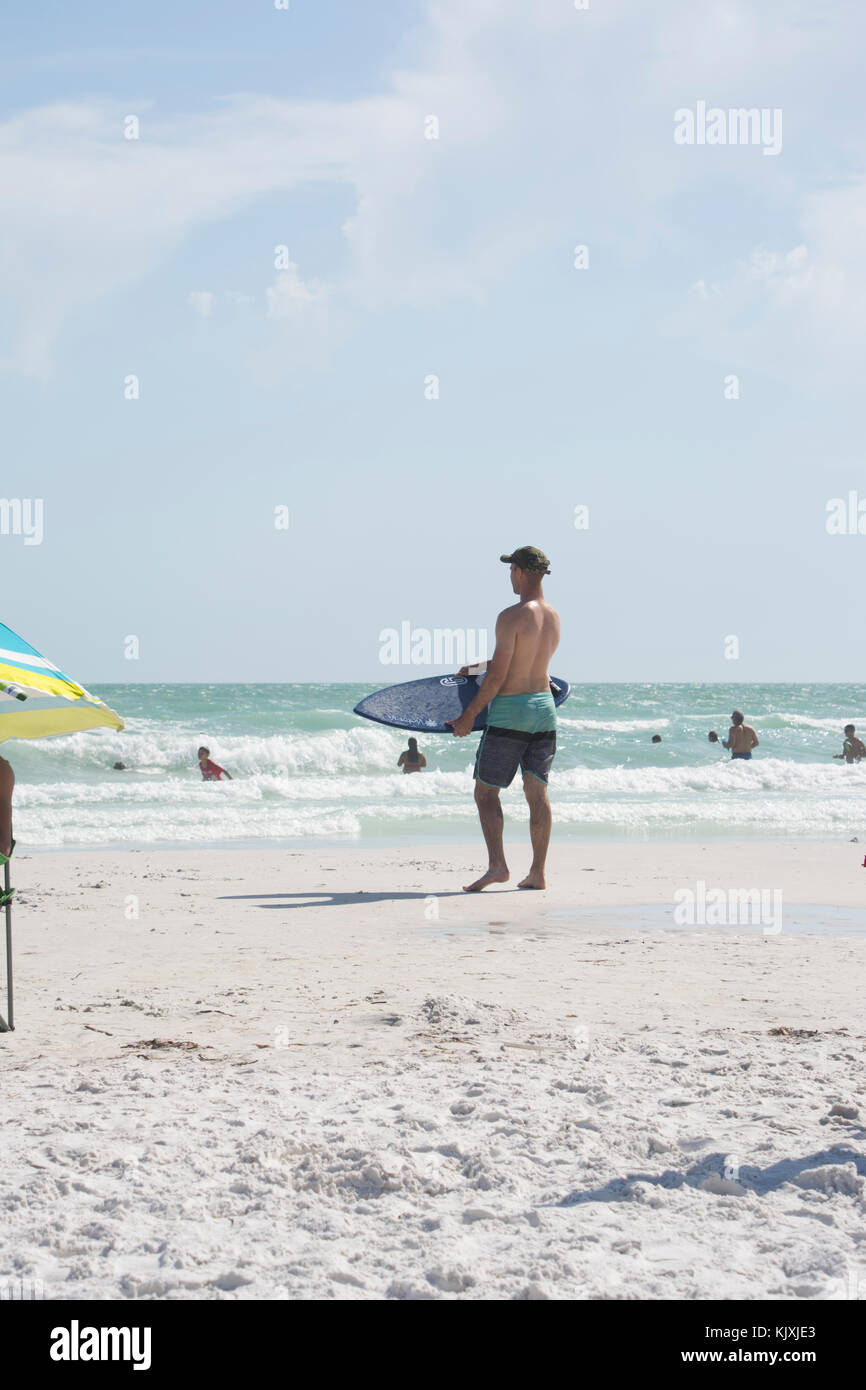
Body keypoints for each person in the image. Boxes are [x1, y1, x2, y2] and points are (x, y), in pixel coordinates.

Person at [447, 546, 560, 892]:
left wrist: (467, 716)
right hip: (544, 710)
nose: (509, 576)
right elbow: (523, 662)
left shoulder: (510, 616)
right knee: (536, 792)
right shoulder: (553, 616)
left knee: (485, 793)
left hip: (511, 712)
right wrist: (477, 667)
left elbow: (500, 679)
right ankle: (537, 873)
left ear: (520, 572)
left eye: (511, 570)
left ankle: (498, 866)